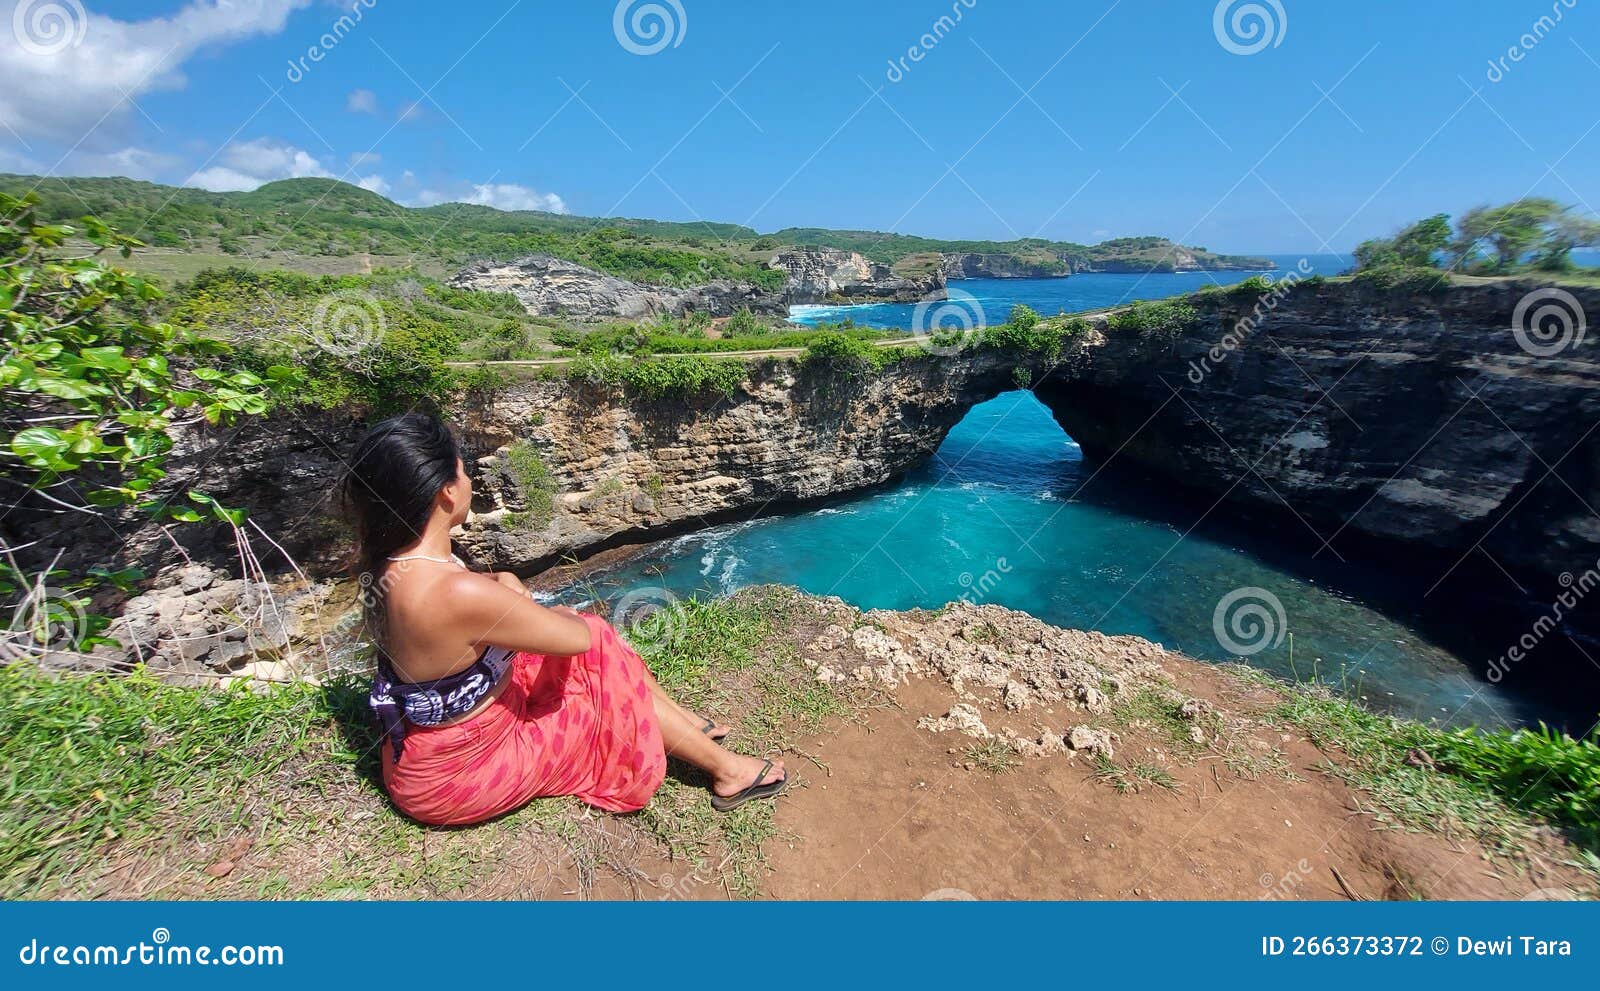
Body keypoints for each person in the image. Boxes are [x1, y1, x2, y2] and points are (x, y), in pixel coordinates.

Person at [339, 412, 787, 826]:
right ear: (446, 492)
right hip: (465, 775)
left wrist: (502, 582)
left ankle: (687, 725)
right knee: (598, 652)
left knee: (587, 633)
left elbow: (455, 611)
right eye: (464, 471)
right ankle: (729, 771)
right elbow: (576, 641)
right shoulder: (455, 591)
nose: (470, 481)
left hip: (419, 756)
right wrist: (524, 598)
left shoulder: (390, 567)